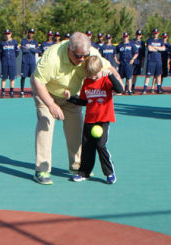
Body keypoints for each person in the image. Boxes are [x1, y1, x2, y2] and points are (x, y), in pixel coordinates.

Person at [31, 32, 117, 185]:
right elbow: (37, 81)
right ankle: (42, 169)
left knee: (76, 129)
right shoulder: (52, 57)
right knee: (46, 123)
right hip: (47, 92)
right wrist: (51, 104)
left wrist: (113, 80)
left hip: (72, 96)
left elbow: (110, 69)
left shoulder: (90, 54)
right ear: (69, 49)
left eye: (85, 56)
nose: (82, 60)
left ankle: (77, 166)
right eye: (78, 56)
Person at [65, 55, 125, 184]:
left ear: (100, 70)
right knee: (87, 147)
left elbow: (120, 89)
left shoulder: (105, 80)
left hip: (103, 120)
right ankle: (84, 173)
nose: (93, 77)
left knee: (100, 145)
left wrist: (110, 75)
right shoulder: (87, 82)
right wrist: (70, 98)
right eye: (90, 74)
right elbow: (83, 101)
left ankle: (109, 173)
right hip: (89, 120)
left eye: (95, 74)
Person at [142, 28, 166, 94]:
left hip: (158, 60)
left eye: (156, 33)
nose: (155, 34)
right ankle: (145, 89)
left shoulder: (160, 41)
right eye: (154, 33)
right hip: (151, 60)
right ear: (153, 33)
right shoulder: (149, 40)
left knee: (158, 75)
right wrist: (158, 49)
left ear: (158, 33)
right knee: (148, 75)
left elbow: (163, 49)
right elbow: (149, 49)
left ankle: (158, 89)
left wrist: (155, 47)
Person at [0, 29, 19, 97]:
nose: (7, 35)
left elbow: (17, 52)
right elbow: (1, 54)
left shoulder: (15, 43)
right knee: (3, 78)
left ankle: (11, 92)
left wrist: (12, 58)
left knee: (12, 78)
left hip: (12, 62)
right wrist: (3, 60)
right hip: (4, 62)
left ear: (11, 34)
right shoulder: (2, 43)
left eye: (8, 33)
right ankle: (3, 92)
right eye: (6, 34)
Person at [20, 29, 40, 97]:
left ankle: (33, 91)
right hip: (25, 61)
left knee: (33, 77)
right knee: (23, 77)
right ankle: (22, 91)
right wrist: (32, 50)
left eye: (32, 33)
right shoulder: (24, 41)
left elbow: (37, 51)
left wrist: (29, 49)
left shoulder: (35, 42)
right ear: (28, 33)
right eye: (30, 33)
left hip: (32, 62)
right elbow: (23, 50)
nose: (31, 34)